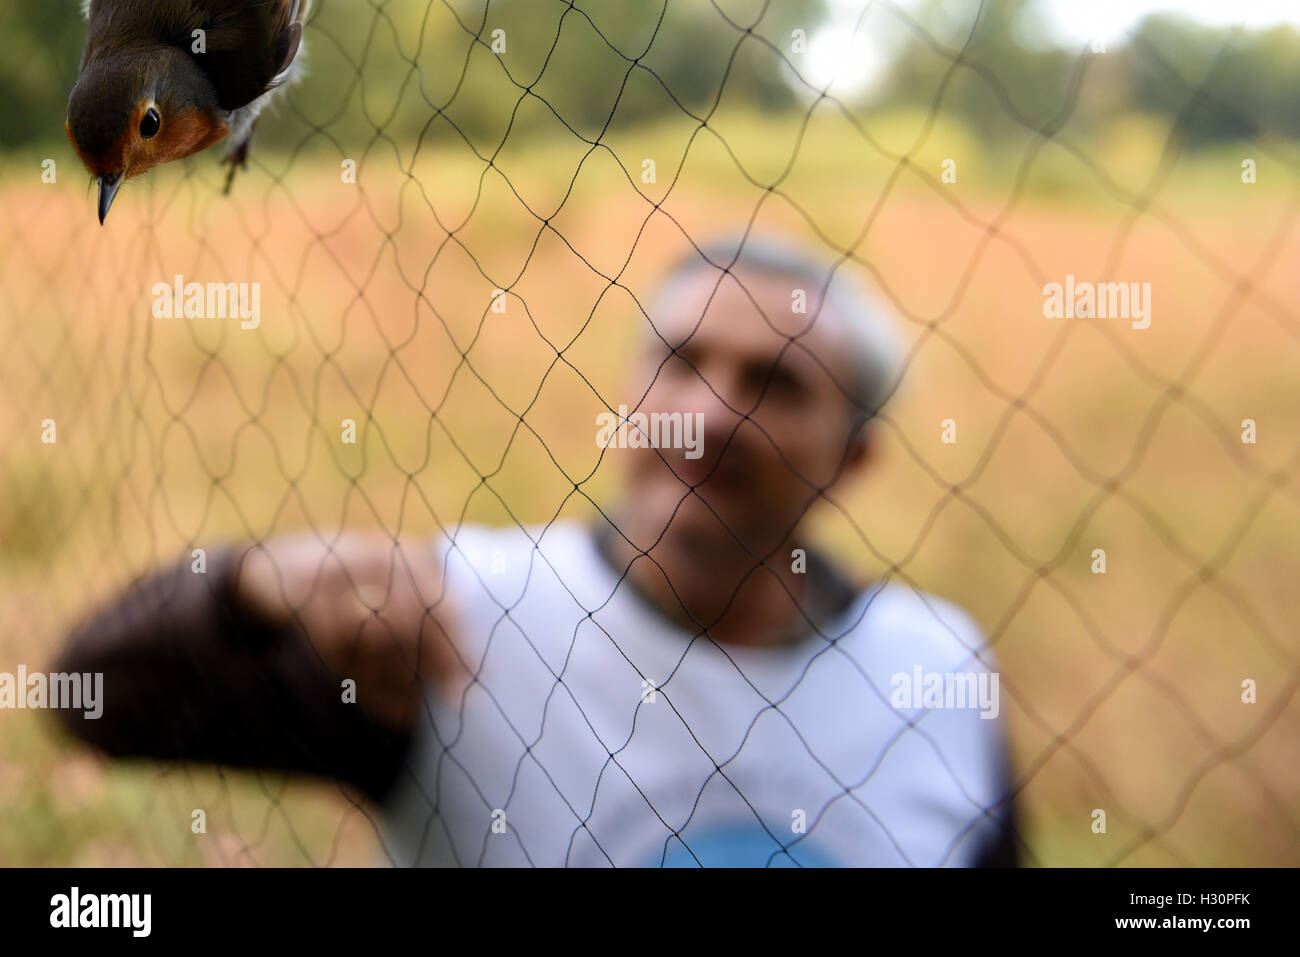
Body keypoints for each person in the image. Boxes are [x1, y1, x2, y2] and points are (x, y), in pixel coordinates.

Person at [52, 232, 1019, 867]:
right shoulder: (469, 618)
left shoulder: (934, 666)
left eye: (774, 384)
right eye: (680, 362)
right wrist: (248, 586)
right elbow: (93, 696)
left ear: (854, 457)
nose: (708, 414)